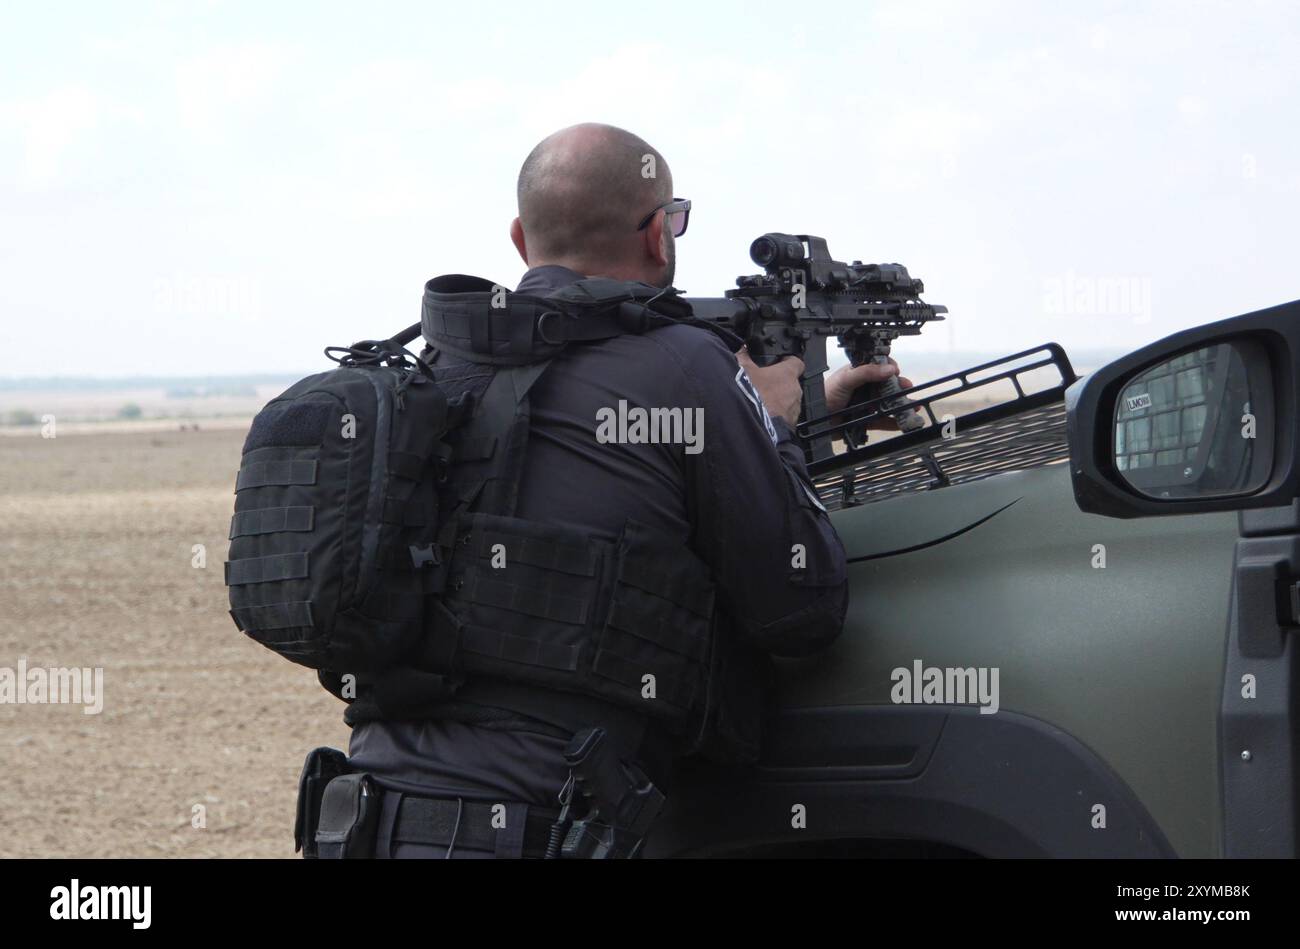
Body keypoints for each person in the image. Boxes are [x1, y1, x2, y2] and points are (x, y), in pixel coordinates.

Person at [340, 122, 908, 858]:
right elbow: (802, 608)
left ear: (520, 238)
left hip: (365, 813)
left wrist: (785, 410)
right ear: (659, 236)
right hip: (544, 827)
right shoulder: (686, 370)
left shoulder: (428, 373)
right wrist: (774, 432)